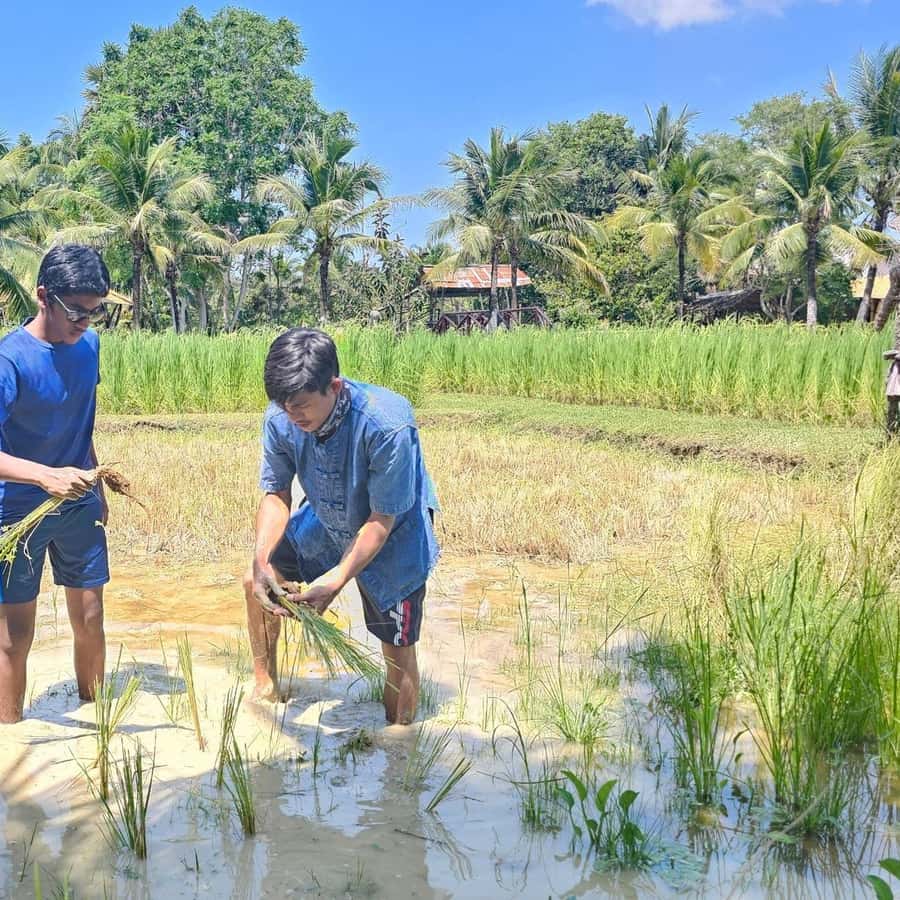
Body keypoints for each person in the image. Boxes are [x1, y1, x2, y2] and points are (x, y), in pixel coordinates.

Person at [244, 328, 439, 725]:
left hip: (393, 532)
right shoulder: (281, 418)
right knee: (258, 583)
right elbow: (276, 493)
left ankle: (400, 739)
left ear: (333, 386)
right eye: (283, 405)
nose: (291, 415)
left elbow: (382, 520)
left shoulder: (387, 425)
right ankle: (265, 684)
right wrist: (261, 558)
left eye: (300, 405)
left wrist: (334, 580)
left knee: (397, 648)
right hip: (326, 515)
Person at [0, 245, 113, 724]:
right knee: (14, 633)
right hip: (17, 509)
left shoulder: (89, 347)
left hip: (77, 500)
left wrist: (97, 485)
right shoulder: (10, 360)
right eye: (77, 311)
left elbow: (81, 421)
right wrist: (43, 475)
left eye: (96, 311)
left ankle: (96, 722)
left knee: (90, 617)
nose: (85, 322)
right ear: (44, 296)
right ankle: (11, 734)